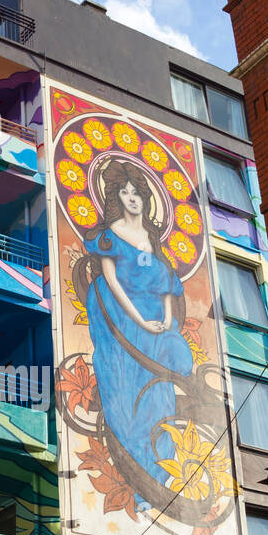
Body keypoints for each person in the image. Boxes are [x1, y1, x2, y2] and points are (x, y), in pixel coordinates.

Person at [84, 158, 193, 485]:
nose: (132, 198)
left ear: (146, 199)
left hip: (157, 323)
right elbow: (112, 284)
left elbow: (165, 286)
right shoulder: (109, 235)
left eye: (137, 193)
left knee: (159, 397)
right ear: (116, 197)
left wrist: (167, 322)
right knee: (126, 394)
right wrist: (142, 322)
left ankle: (159, 476)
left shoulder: (153, 237)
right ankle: (137, 474)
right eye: (124, 192)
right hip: (120, 319)